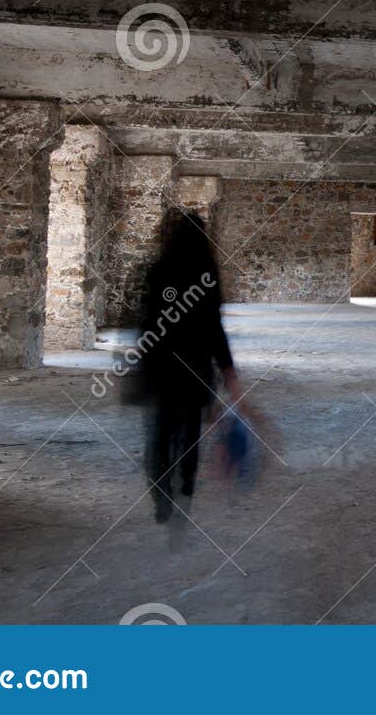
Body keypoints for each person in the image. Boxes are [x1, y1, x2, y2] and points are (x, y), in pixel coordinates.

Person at [137, 210, 241, 528]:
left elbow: (144, 326)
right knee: (190, 435)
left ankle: (161, 494)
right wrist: (227, 370)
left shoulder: (157, 271)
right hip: (195, 370)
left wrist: (136, 365)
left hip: (161, 369)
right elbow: (214, 327)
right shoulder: (206, 275)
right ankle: (186, 485)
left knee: (159, 433)